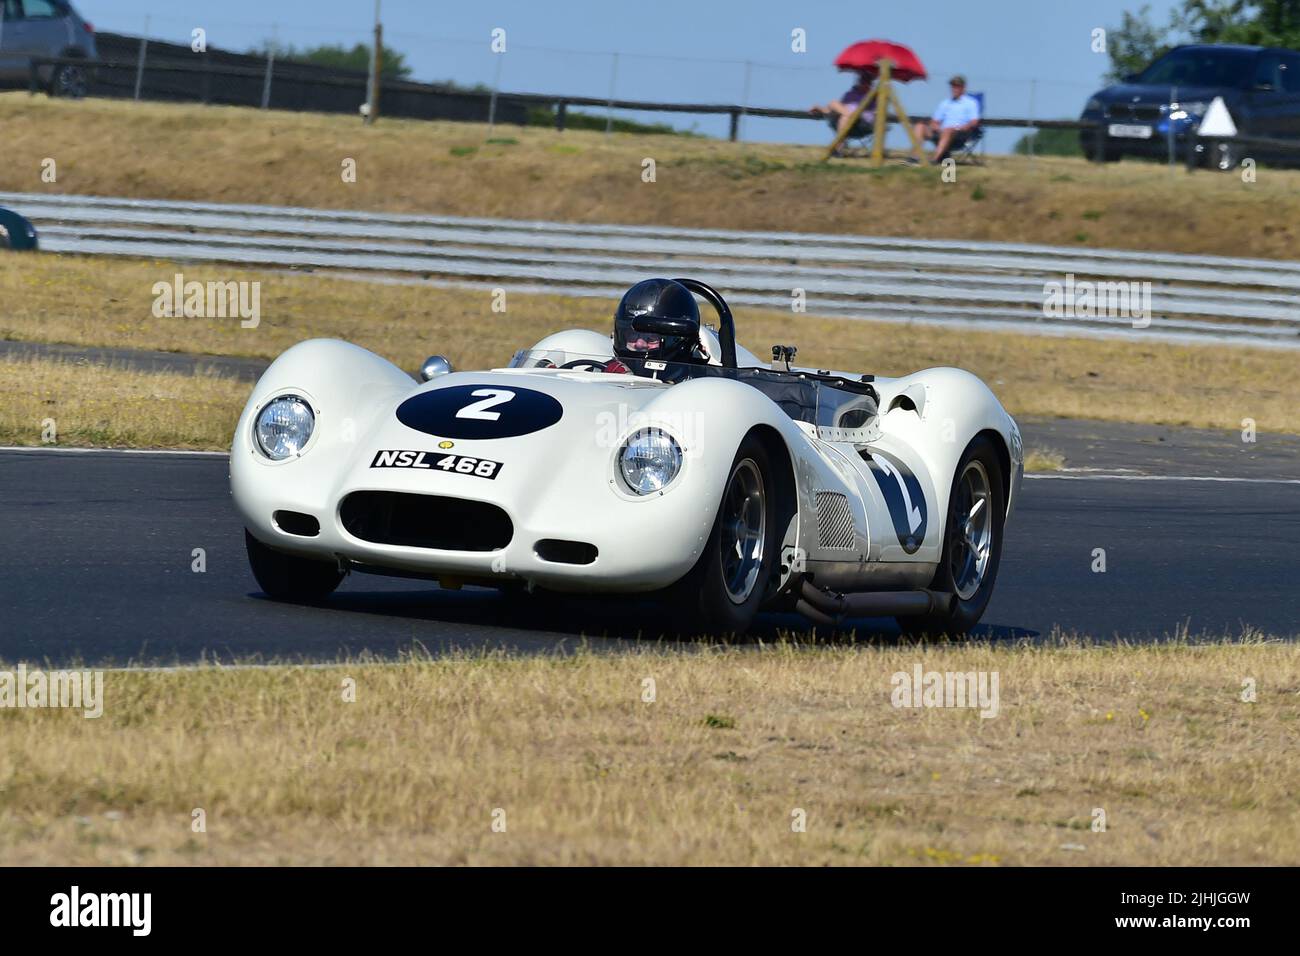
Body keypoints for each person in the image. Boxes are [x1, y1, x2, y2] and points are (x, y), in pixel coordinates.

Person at [612, 278, 706, 370]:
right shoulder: (611, 371)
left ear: (678, 339)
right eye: (632, 335)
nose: (639, 345)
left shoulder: (699, 380)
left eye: (651, 338)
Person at [913, 75, 981, 164]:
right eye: (953, 86)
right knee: (920, 126)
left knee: (948, 130)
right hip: (941, 132)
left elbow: (974, 122)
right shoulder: (945, 103)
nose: (954, 89)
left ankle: (934, 159)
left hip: (960, 135)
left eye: (957, 86)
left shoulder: (971, 103)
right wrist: (935, 126)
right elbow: (935, 120)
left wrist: (962, 128)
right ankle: (914, 157)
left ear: (963, 88)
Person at [810, 72, 876, 147]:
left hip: (862, 122)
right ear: (859, 82)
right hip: (847, 117)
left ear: (871, 84)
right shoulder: (850, 94)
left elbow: (871, 111)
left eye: (867, 82)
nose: (865, 84)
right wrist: (819, 108)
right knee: (835, 105)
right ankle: (846, 117)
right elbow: (836, 109)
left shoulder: (873, 95)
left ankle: (840, 144)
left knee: (843, 116)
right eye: (862, 81)